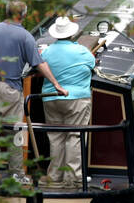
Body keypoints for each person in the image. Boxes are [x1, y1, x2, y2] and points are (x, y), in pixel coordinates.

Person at [0, 0, 67, 184]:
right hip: (9, 88)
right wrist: (56, 84)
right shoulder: (25, 37)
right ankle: (16, 174)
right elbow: (39, 63)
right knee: (15, 131)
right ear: (24, 15)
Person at [39, 16, 96, 189]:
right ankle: (74, 177)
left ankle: (54, 176)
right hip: (76, 99)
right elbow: (91, 64)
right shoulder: (81, 51)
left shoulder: (47, 52)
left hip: (50, 98)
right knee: (75, 136)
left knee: (55, 137)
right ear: (72, 34)